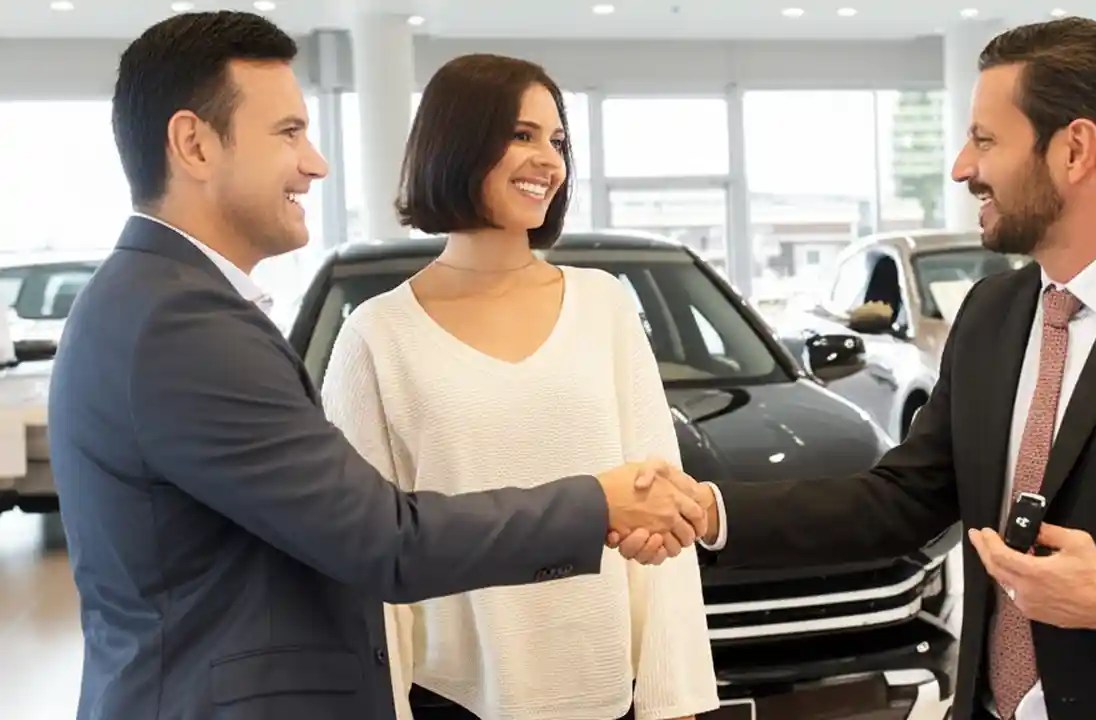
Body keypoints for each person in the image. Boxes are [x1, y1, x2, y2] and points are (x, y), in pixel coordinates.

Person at [616, 16, 1096, 720]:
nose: (963, 167)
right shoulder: (993, 314)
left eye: (985, 140)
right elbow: (903, 500)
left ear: (1076, 150)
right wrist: (709, 510)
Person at [47, 13, 706, 720]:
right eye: (288, 133)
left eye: (557, 140)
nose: (316, 163)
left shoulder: (164, 303)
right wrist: (600, 503)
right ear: (193, 144)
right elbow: (382, 540)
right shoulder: (183, 324)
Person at [321, 53, 720, 720]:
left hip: (604, 697)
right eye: (520, 135)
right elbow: (364, 561)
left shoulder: (605, 307)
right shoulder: (377, 335)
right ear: (456, 141)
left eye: (557, 140)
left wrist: (673, 701)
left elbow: (660, 515)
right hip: (452, 701)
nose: (549, 160)